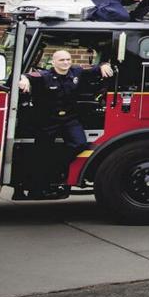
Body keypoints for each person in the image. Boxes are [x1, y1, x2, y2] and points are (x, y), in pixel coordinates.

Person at [16, 50, 114, 198]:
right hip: (48, 120)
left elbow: (96, 68)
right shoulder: (44, 76)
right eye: (62, 60)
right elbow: (26, 76)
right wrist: (23, 79)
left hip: (70, 119)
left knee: (80, 143)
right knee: (40, 153)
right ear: (53, 62)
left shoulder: (77, 72)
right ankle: (37, 188)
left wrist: (104, 65)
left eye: (68, 59)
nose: (66, 62)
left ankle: (58, 165)